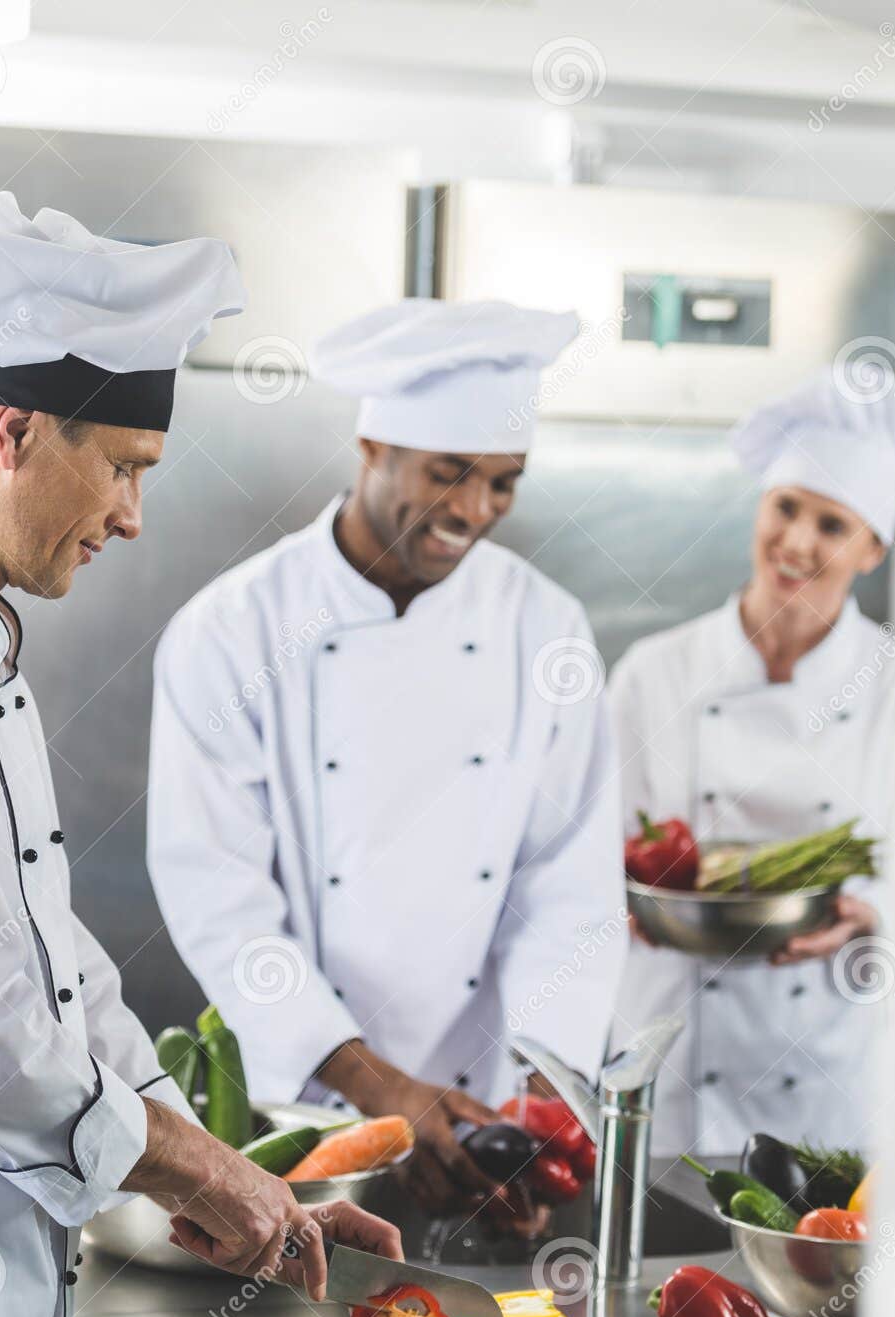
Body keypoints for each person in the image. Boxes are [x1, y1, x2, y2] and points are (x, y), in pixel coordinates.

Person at [0, 192, 400, 1317]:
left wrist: (252, 1188)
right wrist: (197, 1166)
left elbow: (57, 977)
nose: (129, 514)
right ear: (12, 429)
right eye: (123, 466)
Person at [147, 299, 627, 1213]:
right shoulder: (234, 631)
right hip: (317, 1110)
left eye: (503, 482)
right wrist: (378, 1090)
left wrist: (533, 1108)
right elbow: (219, 900)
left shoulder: (545, 628)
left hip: (488, 1116)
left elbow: (568, 886)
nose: (474, 511)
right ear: (372, 447)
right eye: (449, 473)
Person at [609, 367, 895, 1156]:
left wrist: (873, 911)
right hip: (671, 1056)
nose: (797, 542)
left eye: (833, 525)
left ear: (873, 548)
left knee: (810, 1258)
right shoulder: (655, 670)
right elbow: (587, 857)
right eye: (785, 507)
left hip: (823, 1068)